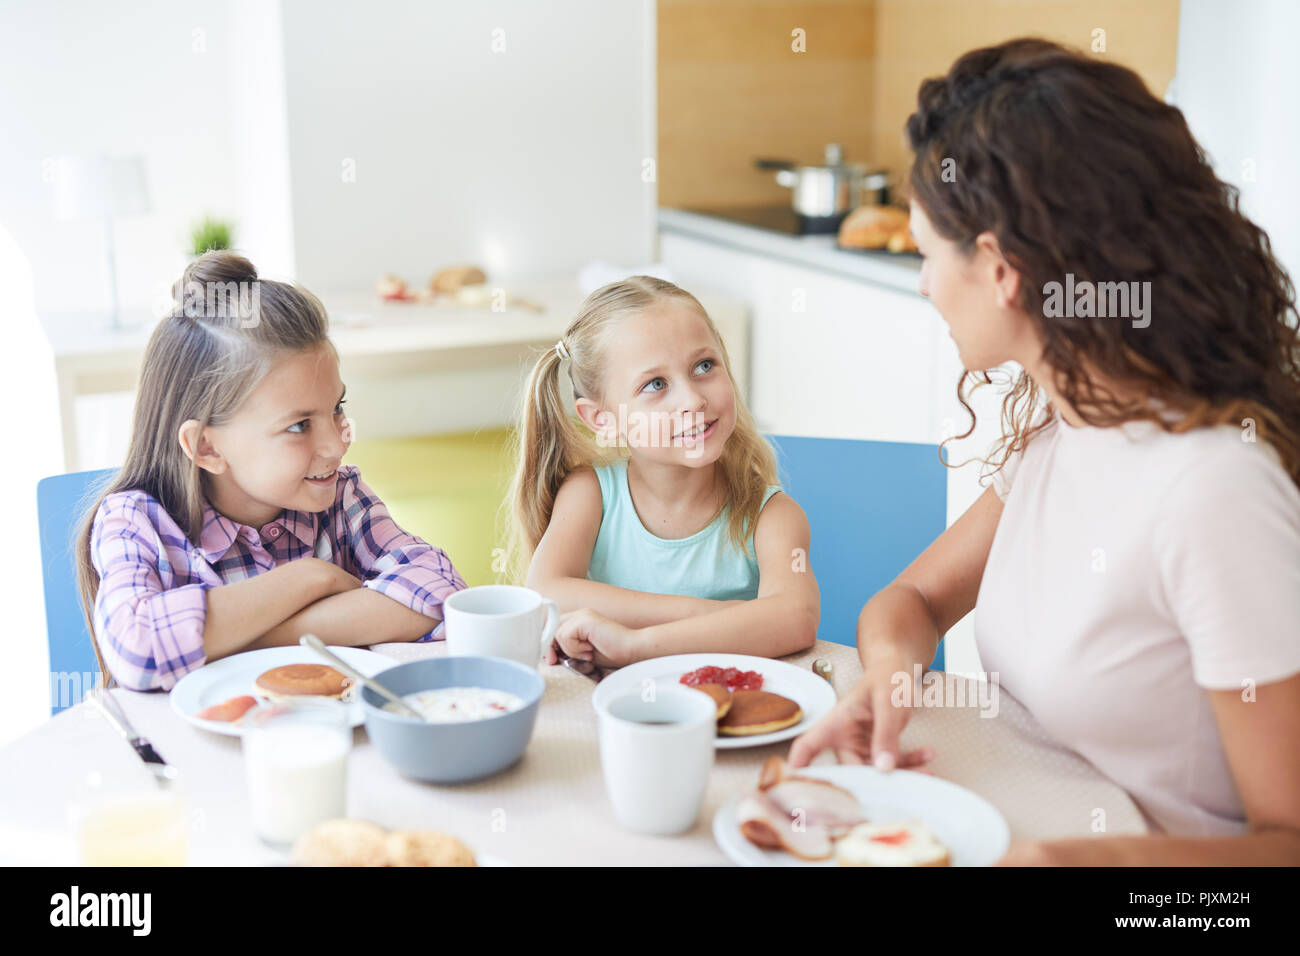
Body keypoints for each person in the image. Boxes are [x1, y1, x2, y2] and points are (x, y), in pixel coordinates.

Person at [790, 38, 1300, 865]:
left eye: (926, 254)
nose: (922, 284)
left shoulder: (1214, 491)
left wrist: (1080, 861)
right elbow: (911, 601)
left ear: (1000, 269)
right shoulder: (1067, 427)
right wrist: (889, 677)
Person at [77, 251, 467, 691]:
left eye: (336, 408)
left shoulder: (341, 497)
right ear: (207, 446)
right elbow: (138, 648)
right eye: (299, 425)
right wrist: (308, 578)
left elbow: (441, 591)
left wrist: (248, 638)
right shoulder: (137, 521)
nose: (338, 442)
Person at [505, 276, 819, 667]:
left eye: (704, 365)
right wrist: (714, 615)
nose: (693, 399)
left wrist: (635, 644)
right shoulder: (590, 494)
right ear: (603, 419)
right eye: (655, 384)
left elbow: (796, 618)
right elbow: (546, 593)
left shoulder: (771, 516)